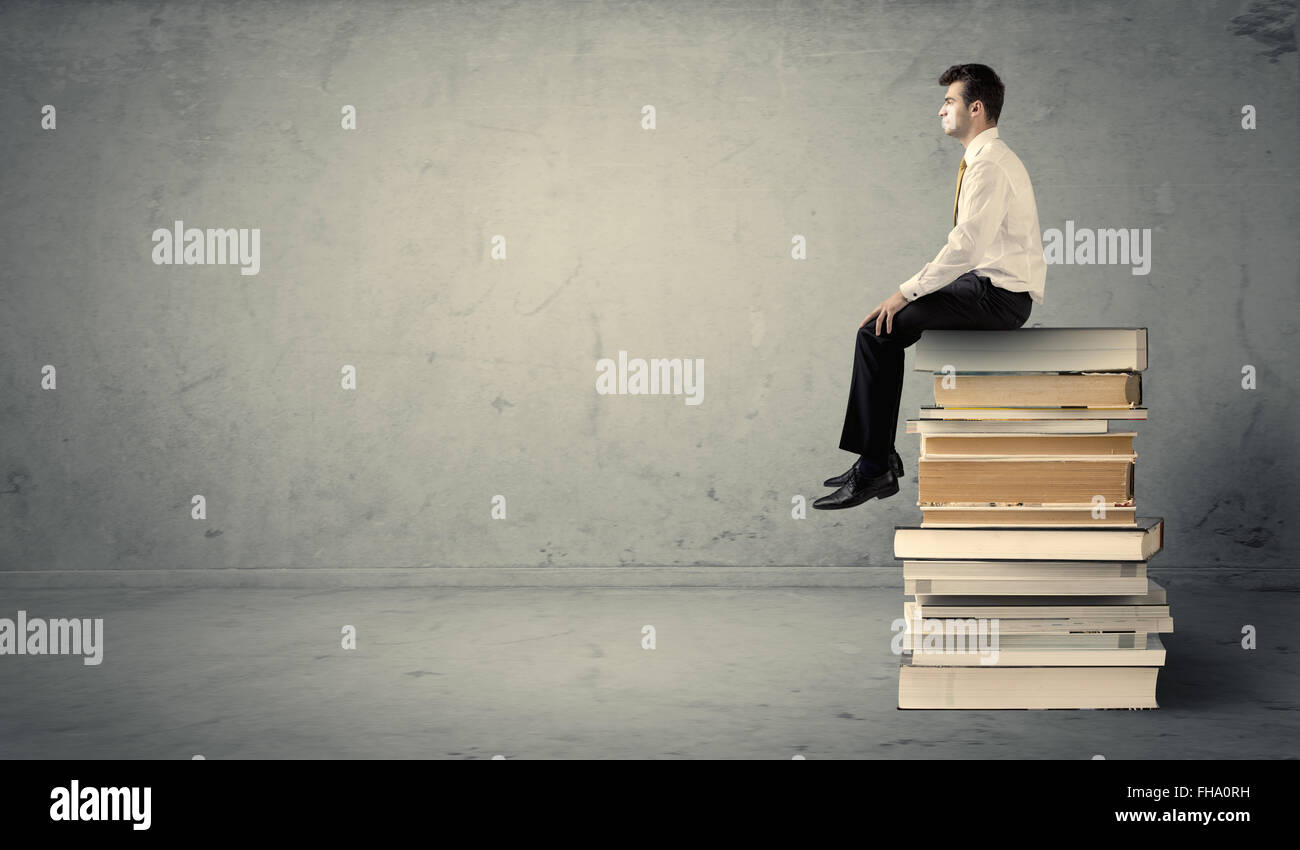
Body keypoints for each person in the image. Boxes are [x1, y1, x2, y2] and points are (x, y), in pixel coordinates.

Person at [814, 63, 1046, 511]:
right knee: (881, 332)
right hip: (989, 289)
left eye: (949, 102)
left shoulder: (991, 166)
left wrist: (905, 292)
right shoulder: (985, 160)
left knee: (877, 331)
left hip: (999, 298)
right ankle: (877, 458)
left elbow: (966, 247)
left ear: (975, 109)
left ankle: (874, 467)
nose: (940, 111)